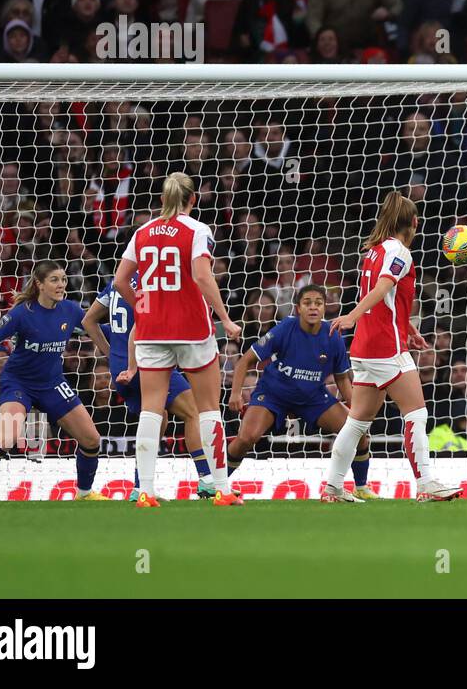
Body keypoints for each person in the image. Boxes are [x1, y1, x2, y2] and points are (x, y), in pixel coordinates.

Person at [112, 172, 244, 508]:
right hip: (191, 328)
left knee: (151, 409)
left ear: (161, 199)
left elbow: (120, 281)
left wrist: (143, 307)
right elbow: (201, 275)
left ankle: (146, 491)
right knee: (208, 407)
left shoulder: (141, 233)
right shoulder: (198, 230)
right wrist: (225, 318)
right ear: (193, 199)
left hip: (152, 330)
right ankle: (221, 489)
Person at [323, 191, 459, 503]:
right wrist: (352, 316)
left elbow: (386, 299)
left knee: (357, 421)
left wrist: (407, 326)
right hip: (385, 347)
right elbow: (384, 287)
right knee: (416, 413)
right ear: (414, 222)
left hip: (365, 346)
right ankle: (426, 484)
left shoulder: (373, 251)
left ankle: (332, 488)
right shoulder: (400, 252)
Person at [0, 261, 111, 502]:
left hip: (52, 384)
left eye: (64, 279)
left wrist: (125, 328)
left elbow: (97, 328)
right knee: (6, 439)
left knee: (91, 439)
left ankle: (84, 493)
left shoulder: (71, 310)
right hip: (18, 384)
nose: (61, 285)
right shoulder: (23, 312)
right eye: (54, 280)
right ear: (39, 284)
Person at [228, 285, 376, 496]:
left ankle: (361, 487)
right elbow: (244, 361)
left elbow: (342, 377)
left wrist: (355, 409)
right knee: (247, 437)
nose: (313, 308)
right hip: (274, 394)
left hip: (312, 397)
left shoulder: (333, 335)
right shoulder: (285, 327)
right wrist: (235, 393)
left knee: (358, 432)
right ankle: (218, 483)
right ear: (298, 308)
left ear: (325, 308)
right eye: (307, 303)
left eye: (318, 303)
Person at [82, 276, 215, 501]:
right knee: (193, 411)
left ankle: (140, 487)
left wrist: (112, 354)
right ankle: (206, 480)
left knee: (157, 417)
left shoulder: (116, 283)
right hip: (147, 362)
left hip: (119, 366)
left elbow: (88, 321)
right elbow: (140, 325)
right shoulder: (152, 281)